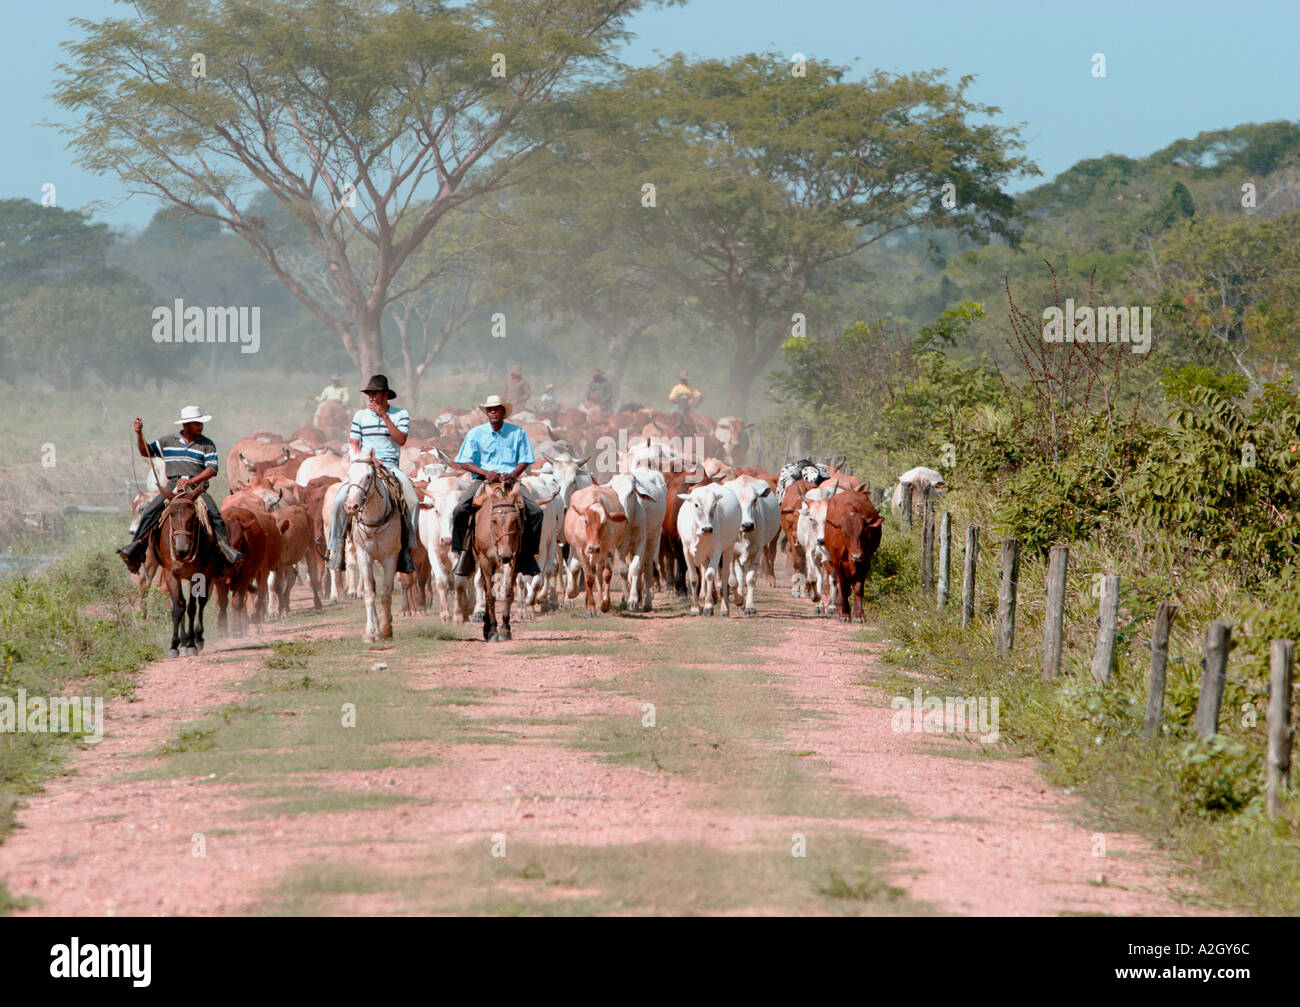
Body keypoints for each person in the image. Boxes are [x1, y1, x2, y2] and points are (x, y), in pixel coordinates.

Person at [117, 406, 243, 572]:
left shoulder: (207, 444)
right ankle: (136, 547)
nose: (200, 426)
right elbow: (145, 451)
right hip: (173, 485)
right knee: (150, 512)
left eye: (200, 423)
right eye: (197, 423)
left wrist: (192, 480)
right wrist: (139, 434)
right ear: (187, 425)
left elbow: (212, 469)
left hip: (197, 488)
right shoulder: (167, 442)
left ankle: (226, 551)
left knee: (214, 515)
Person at [326, 374, 419, 574]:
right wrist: (365, 459)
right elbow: (354, 443)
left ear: (385, 395)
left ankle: (407, 550)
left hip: (390, 466)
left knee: (412, 501)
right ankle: (337, 548)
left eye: (375, 394)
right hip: (364, 466)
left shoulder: (400, 414)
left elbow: (401, 440)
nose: (371, 398)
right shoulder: (360, 416)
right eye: (369, 394)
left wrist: (384, 416)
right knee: (338, 501)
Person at [449, 395, 543, 578]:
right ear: (486, 413)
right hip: (483, 481)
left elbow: (525, 459)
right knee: (460, 509)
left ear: (503, 412)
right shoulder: (475, 433)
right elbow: (464, 461)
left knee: (536, 511)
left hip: (511, 481)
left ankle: (528, 555)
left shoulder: (517, 432)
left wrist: (513, 474)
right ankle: (462, 553)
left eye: (497, 409)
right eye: (490, 409)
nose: (493, 412)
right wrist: (485, 473)